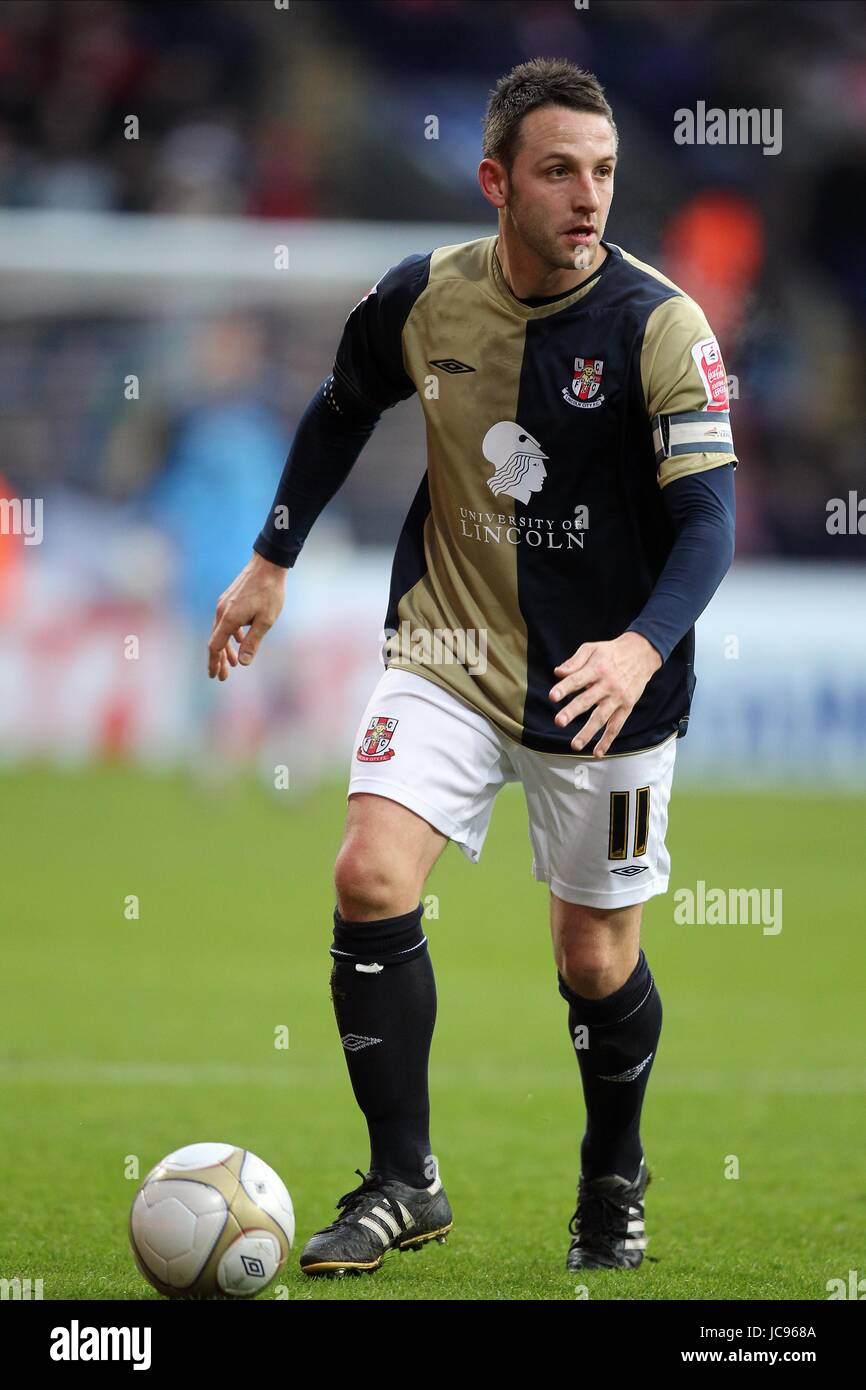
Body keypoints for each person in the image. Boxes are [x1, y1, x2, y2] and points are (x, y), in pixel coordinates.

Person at [207, 58, 737, 1278]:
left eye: (602, 172)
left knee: (591, 960)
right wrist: (271, 559)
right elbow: (342, 405)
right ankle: (405, 1180)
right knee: (368, 872)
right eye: (558, 171)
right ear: (496, 180)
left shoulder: (660, 325)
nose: (587, 196)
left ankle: (612, 1174)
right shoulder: (421, 297)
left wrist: (637, 642)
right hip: (446, 651)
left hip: (608, 689)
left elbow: (706, 520)